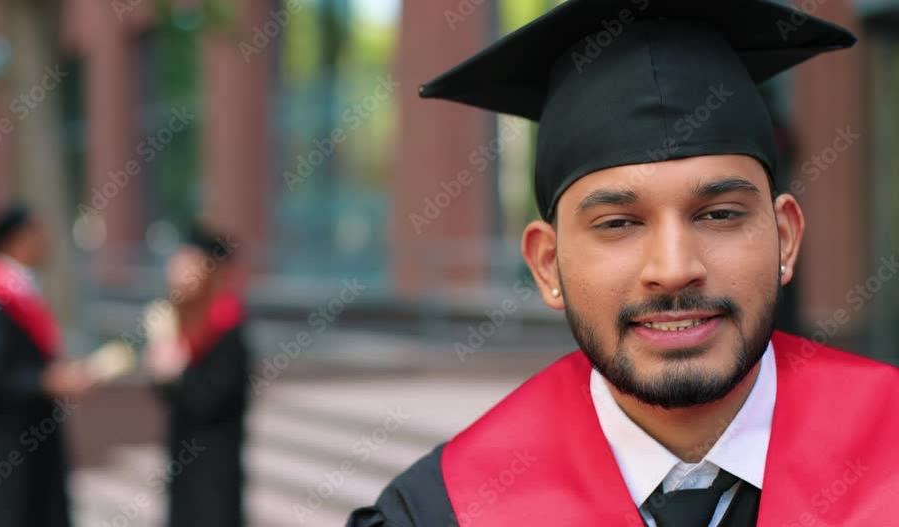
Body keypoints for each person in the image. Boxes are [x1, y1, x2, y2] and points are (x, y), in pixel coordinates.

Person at [348, 1, 898, 526]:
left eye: (719, 214)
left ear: (785, 238)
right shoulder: (442, 511)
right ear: (546, 264)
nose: (675, 267)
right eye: (618, 223)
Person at [0, 203, 91, 527]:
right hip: (3, 445)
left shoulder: (20, 290)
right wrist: (45, 381)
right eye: (38, 233)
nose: (46, 242)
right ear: (15, 240)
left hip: (27, 436)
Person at [145, 222, 253, 526]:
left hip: (215, 453)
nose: (176, 276)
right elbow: (166, 391)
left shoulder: (226, 323)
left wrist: (177, 373)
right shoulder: (180, 318)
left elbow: (215, 396)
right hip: (183, 449)